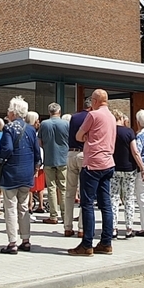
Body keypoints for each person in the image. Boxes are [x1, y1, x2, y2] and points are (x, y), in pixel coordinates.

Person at [69, 89, 116, 256]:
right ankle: (106, 242)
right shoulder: (112, 117)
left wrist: (88, 137)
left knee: (87, 204)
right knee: (106, 205)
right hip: (108, 162)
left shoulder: (93, 115)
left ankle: (87, 244)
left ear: (95, 101)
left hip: (93, 163)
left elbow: (79, 135)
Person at [0, 97, 41, 254]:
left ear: (13, 112)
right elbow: (37, 151)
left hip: (11, 172)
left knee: (10, 207)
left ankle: (12, 242)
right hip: (26, 173)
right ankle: (26, 239)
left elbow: (7, 148)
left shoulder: (9, 128)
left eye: (9, 109)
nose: (7, 112)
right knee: (24, 207)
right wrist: (36, 167)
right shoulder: (30, 129)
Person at [63, 96, 90, 238]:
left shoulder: (74, 117)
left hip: (70, 153)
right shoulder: (91, 116)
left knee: (70, 192)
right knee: (84, 191)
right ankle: (82, 227)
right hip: (84, 153)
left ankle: (67, 226)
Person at [37, 103, 69, 224]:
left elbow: (39, 142)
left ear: (49, 112)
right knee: (64, 188)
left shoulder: (44, 124)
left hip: (49, 158)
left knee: (51, 187)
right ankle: (66, 215)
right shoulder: (66, 124)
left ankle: (53, 215)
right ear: (59, 112)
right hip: (63, 158)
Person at [110, 111, 140, 239]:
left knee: (113, 198)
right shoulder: (129, 132)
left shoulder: (110, 131)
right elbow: (135, 151)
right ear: (121, 118)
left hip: (114, 167)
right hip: (129, 169)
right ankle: (129, 228)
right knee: (129, 199)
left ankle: (113, 228)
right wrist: (142, 167)